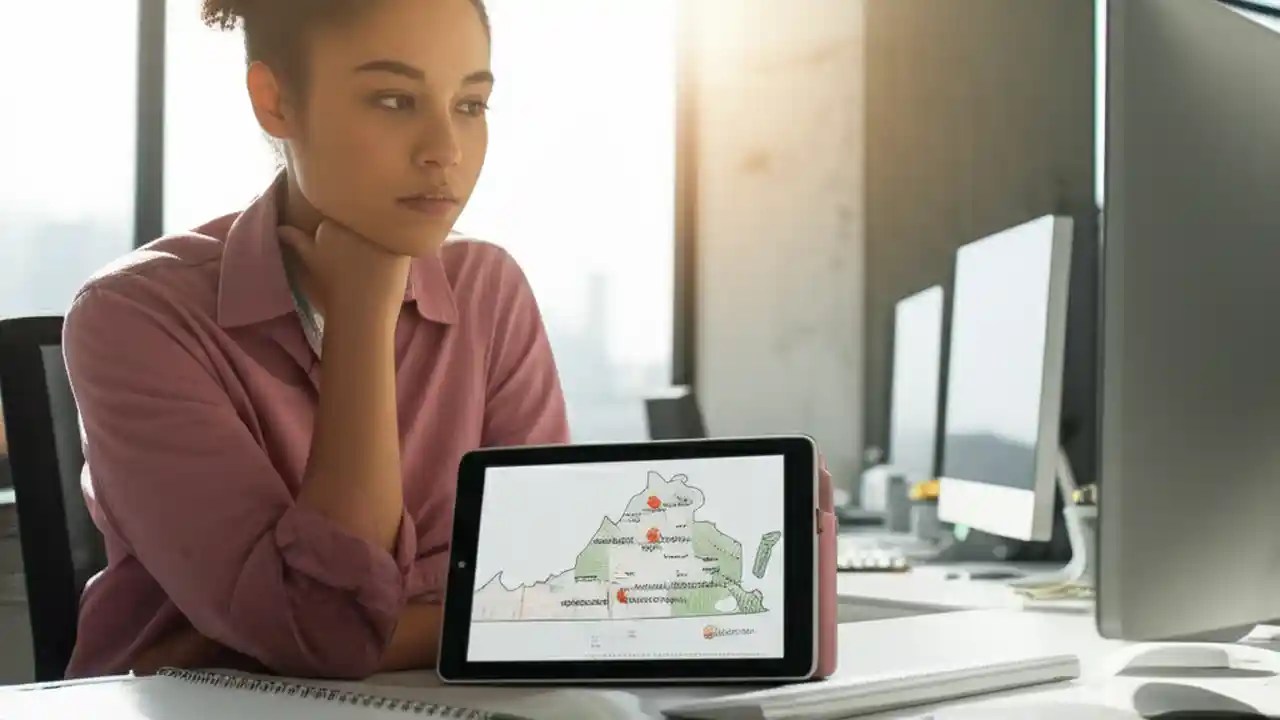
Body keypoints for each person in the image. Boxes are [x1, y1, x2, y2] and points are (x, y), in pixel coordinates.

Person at [61, 0, 570, 680]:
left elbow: (560, 597)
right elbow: (327, 636)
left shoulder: (489, 288)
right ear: (276, 103)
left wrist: (249, 647)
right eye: (393, 99)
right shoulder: (134, 316)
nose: (444, 151)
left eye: (470, 106)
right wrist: (363, 315)